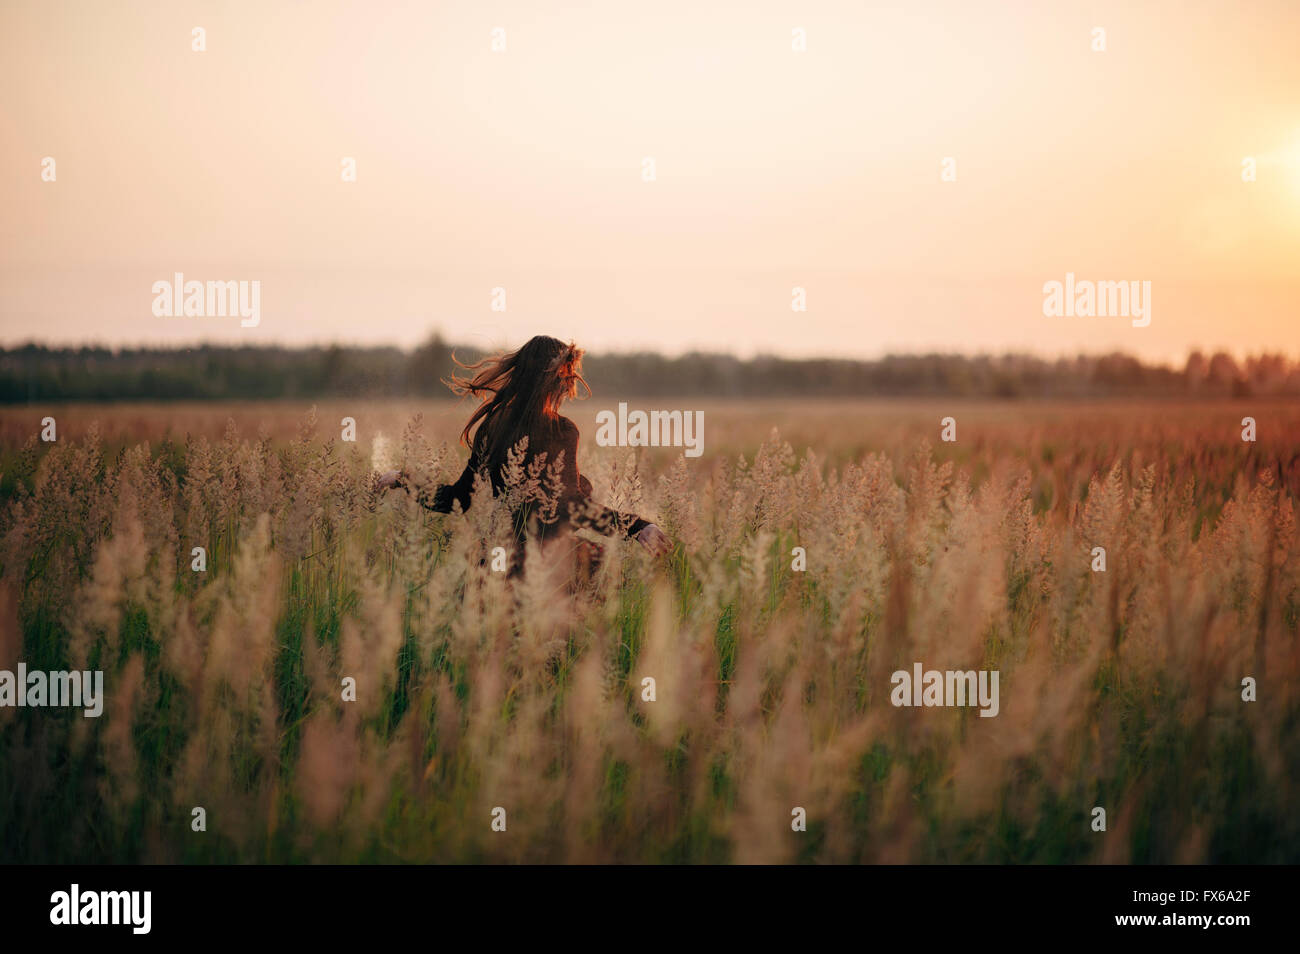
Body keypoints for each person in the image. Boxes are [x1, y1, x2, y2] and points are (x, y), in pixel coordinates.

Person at [376, 335, 670, 577]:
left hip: (494, 561)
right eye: (567, 377)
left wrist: (403, 480)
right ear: (555, 380)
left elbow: (458, 499)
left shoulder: (493, 426)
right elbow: (572, 508)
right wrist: (636, 527)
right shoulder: (563, 430)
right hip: (546, 568)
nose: (570, 387)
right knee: (604, 579)